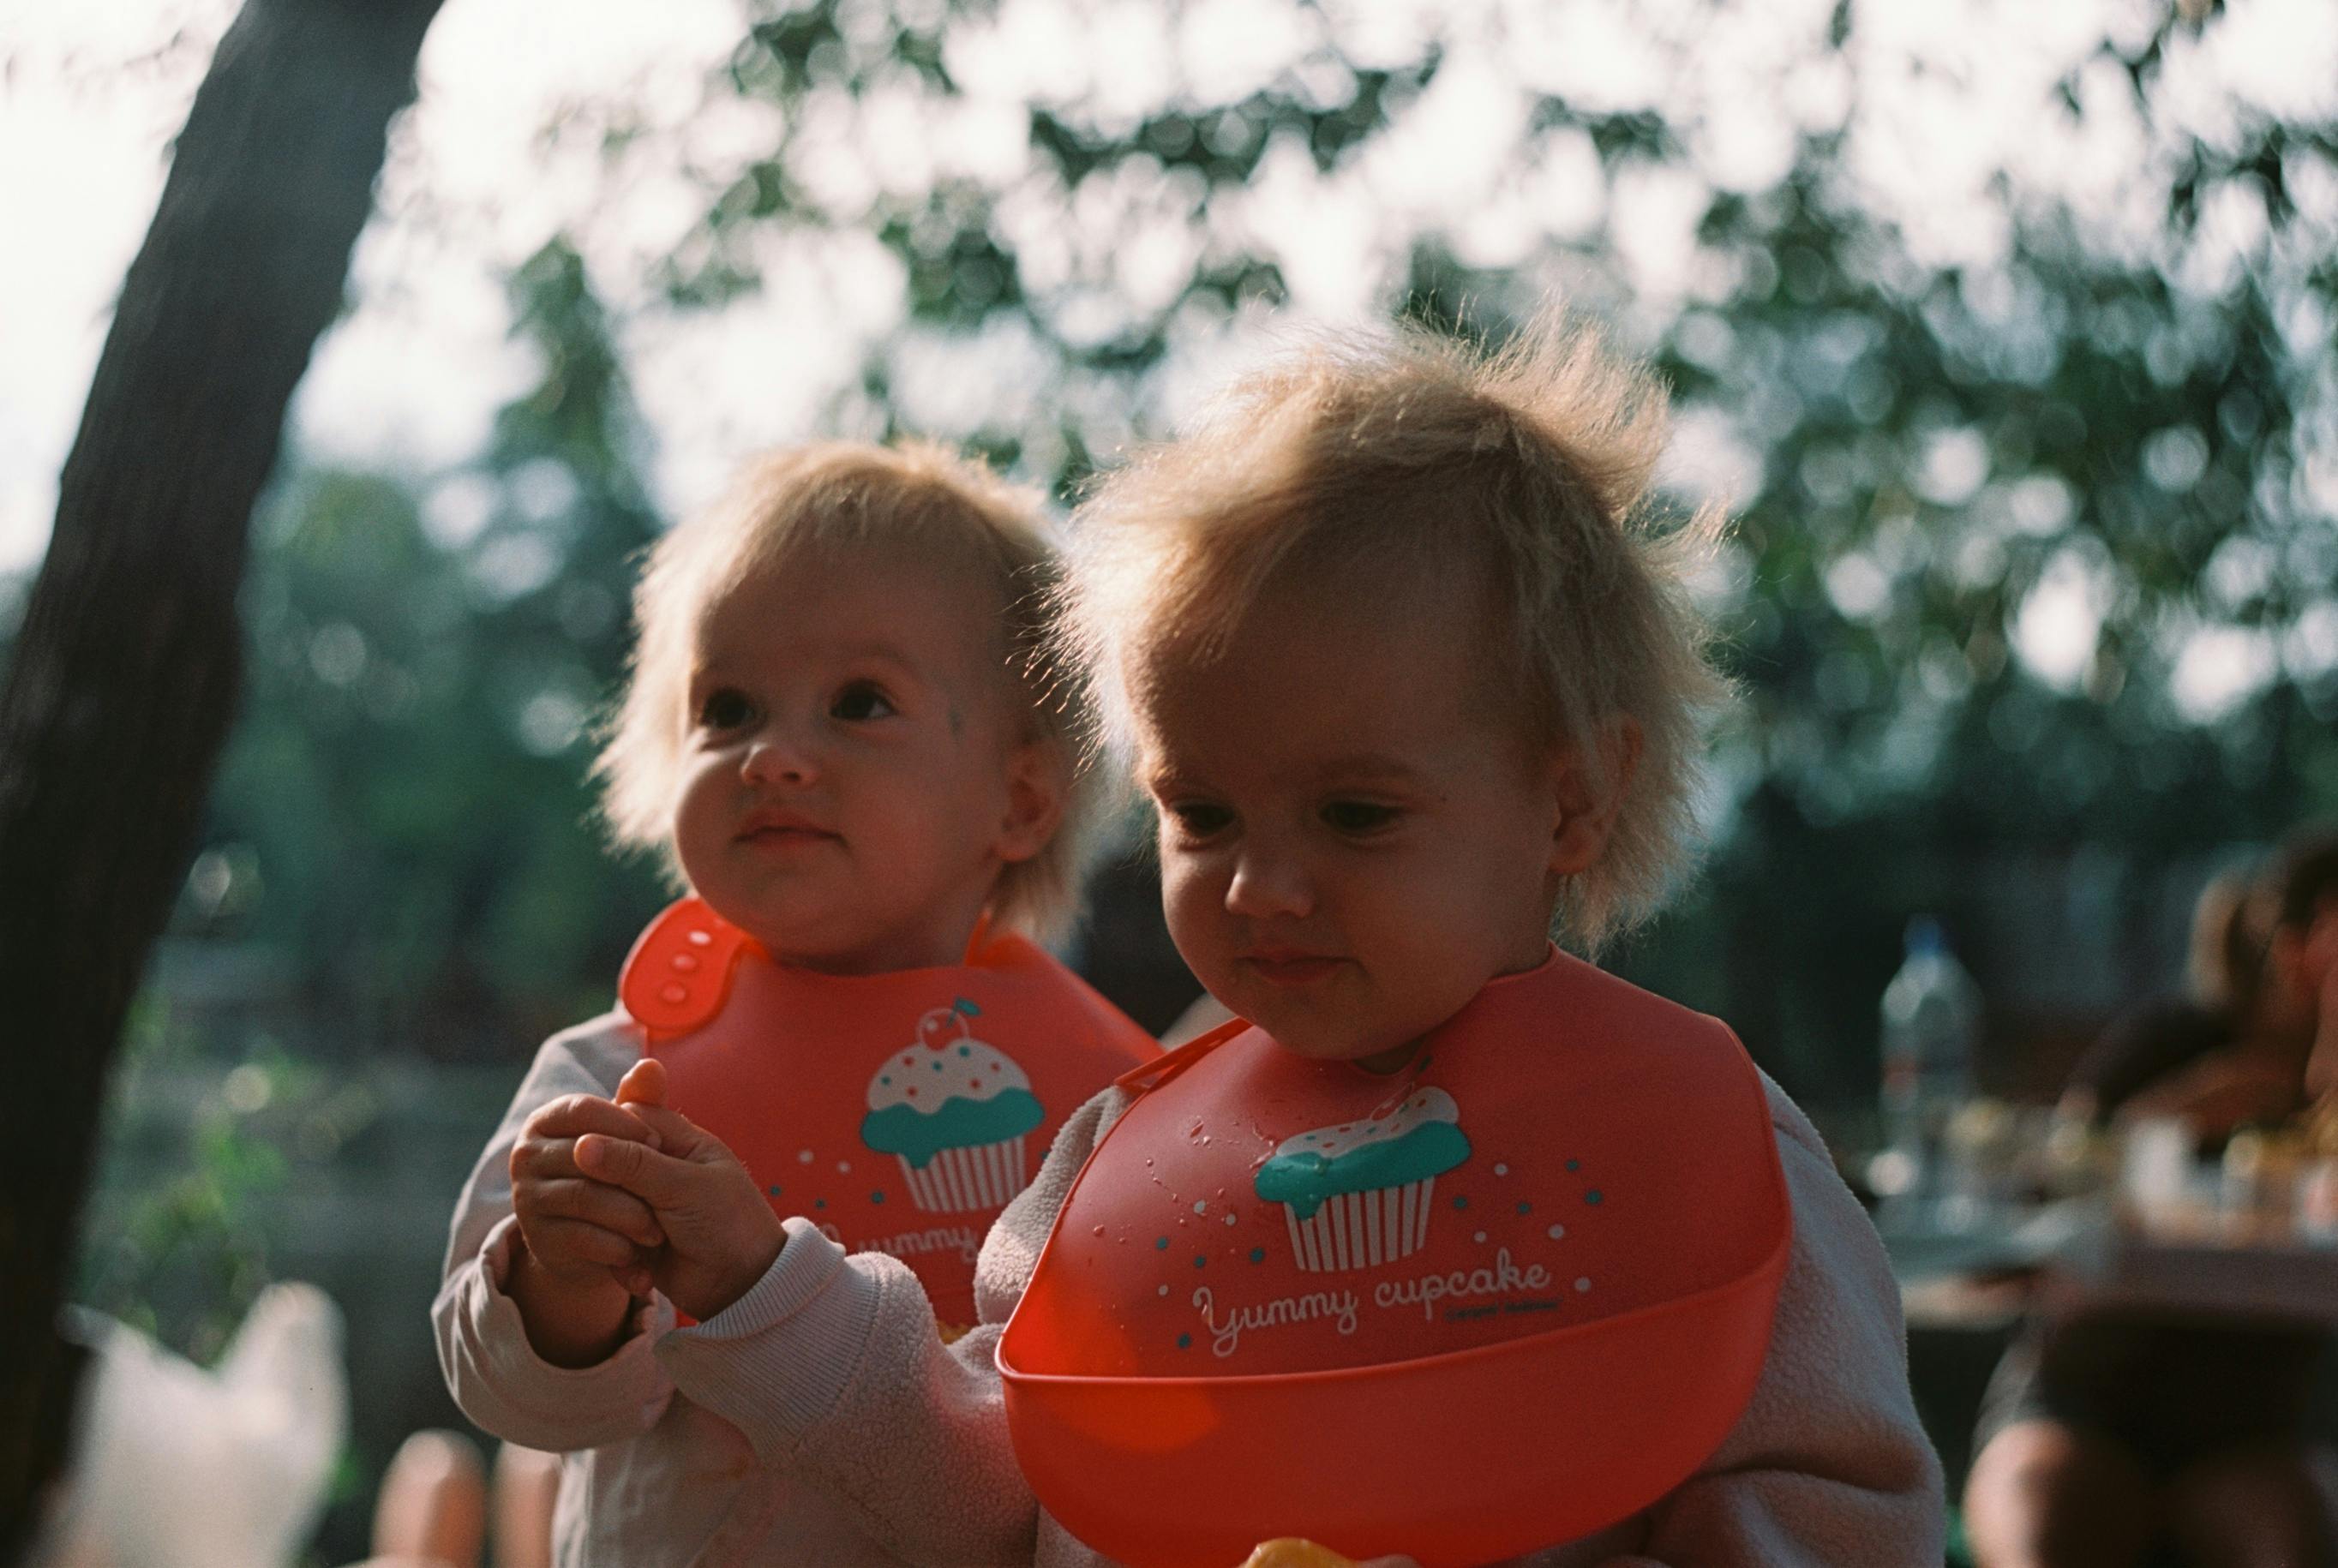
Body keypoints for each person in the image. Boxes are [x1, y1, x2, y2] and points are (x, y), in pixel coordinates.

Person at [566, 314, 1945, 1565]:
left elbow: (1845, 1517)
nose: (1261, 887)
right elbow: (1002, 1485)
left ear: (1571, 796)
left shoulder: (1698, 1143)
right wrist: (767, 1286)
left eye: (1355, 811)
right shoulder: (1110, 1162)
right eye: (1204, 811)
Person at [432, 441, 1154, 1565]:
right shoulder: (617, 1075)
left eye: (859, 702)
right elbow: (526, 1407)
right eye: (727, 707)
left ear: (1018, 797)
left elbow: (1099, 1454)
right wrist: (558, 1284)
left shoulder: (1109, 1105)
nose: (772, 755)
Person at [1963, 829, 2338, 1568]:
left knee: (2287, 1546)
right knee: (2048, 1531)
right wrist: (2182, 1111)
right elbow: (2057, 1174)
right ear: (2300, 950)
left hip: (2246, 1431)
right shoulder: (2176, 1040)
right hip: (2083, 1399)